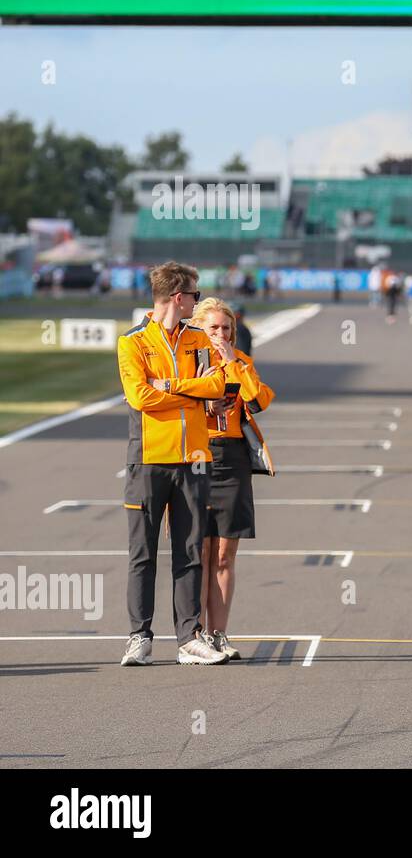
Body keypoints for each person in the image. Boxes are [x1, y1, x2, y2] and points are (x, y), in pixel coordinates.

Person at [117, 261, 236, 667]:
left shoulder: (199, 339)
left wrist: (169, 387)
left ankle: (189, 638)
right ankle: (139, 636)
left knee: (189, 552)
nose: (196, 303)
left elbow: (217, 384)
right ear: (178, 297)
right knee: (142, 553)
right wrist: (194, 395)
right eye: (195, 296)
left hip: (194, 459)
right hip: (148, 459)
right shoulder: (132, 342)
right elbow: (139, 397)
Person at [191, 297, 276, 660]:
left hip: (234, 459)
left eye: (226, 329)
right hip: (195, 455)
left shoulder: (241, 363)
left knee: (225, 554)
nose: (220, 334)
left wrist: (231, 362)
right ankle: (194, 636)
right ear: (199, 329)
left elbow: (258, 401)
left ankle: (219, 633)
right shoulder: (188, 363)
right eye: (213, 328)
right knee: (201, 552)